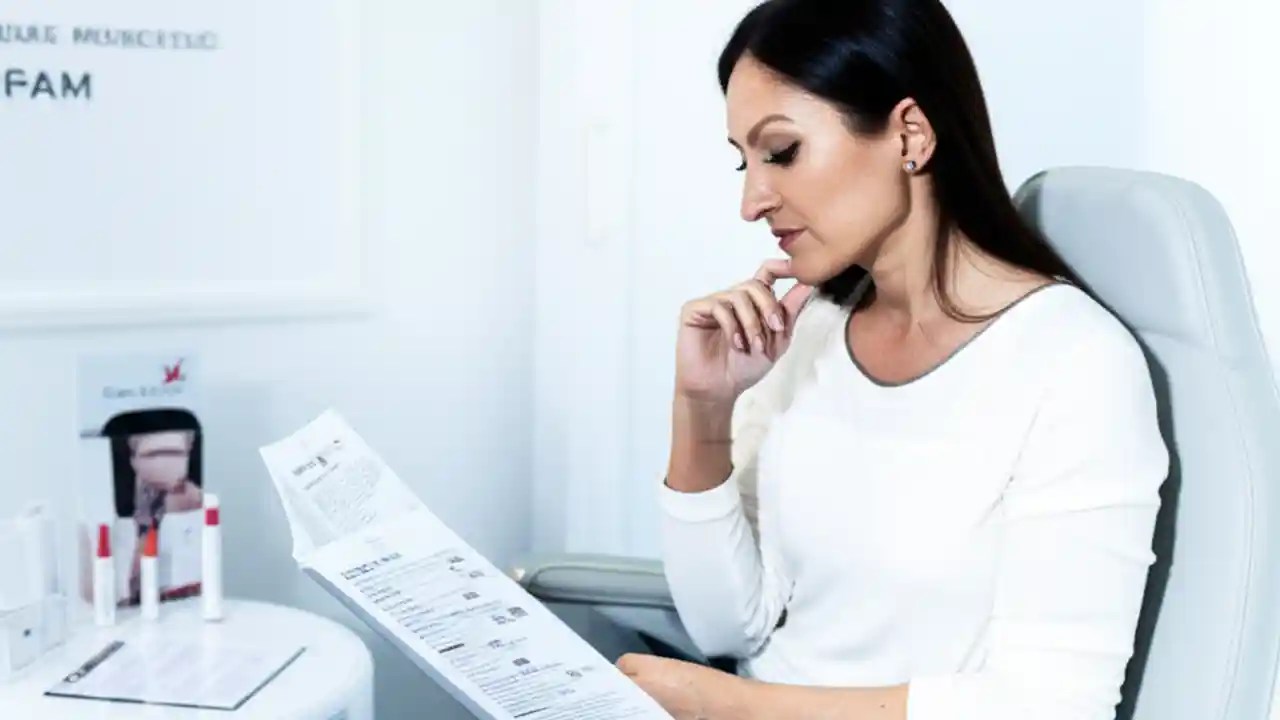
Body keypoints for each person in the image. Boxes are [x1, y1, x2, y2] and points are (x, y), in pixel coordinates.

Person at [616, 1, 1169, 718]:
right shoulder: (811, 328)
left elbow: (1051, 705)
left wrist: (732, 706)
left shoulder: (1077, 366)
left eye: (781, 152)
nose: (752, 201)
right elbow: (726, 627)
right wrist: (703, 410)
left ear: (910, 134)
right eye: (743, 161)